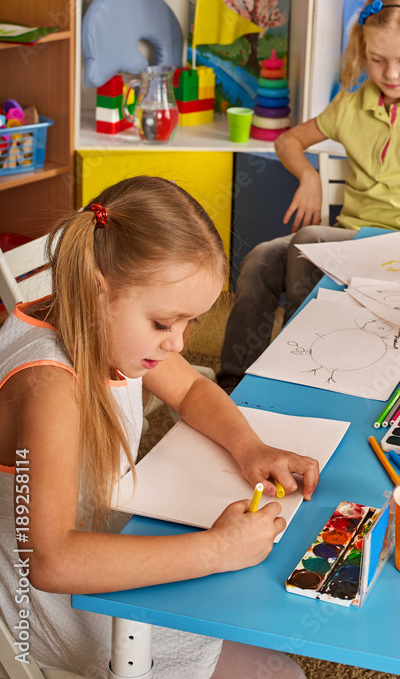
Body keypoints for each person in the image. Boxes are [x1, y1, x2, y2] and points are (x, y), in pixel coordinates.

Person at [0, 176, 318, 679]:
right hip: (51, 607)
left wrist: (249, 447)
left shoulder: (111, 326)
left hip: (102, 545)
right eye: (167, 323)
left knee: (246, 591)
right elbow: (52, 561)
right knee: (281, 670)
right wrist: (215, 549)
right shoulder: (50, 388)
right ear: (99, 291)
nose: (181, 344)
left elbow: (191, 391)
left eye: (191, 323)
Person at [219, 0, 400, 389]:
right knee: (261, 258)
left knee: (308, 238)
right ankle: (234, 382)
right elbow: (287, 141)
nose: (390, 73)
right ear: (362, 51)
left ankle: (298, 367)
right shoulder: (350, 105)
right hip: (352, 242)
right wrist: (308, 176)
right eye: (377, 59)